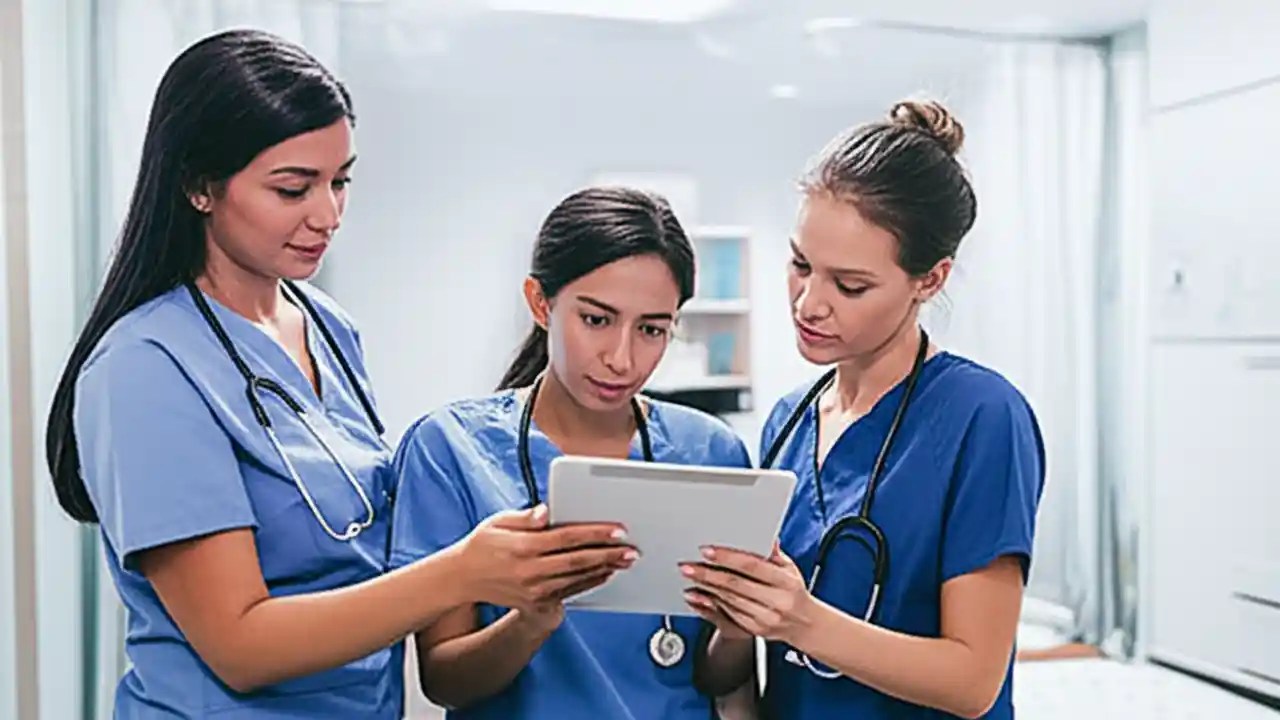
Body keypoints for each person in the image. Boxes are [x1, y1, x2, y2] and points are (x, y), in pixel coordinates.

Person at [44, 29, 632, 719]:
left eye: (340, 181)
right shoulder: (145, 368)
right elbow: (240, 646)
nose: (327, 215)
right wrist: (462, 572)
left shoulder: (326, 326)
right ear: (200, 186)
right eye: (293, 188)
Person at [685, 99, 1047, 719]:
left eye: (849, 285)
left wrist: (801, 619)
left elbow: (973, 682)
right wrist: (738, 620)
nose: (808, 303)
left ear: (930, 280)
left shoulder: (983, 417)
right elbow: (734, 673)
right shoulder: (788, 423)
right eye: (800, 265)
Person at [388, 186, 753, 719]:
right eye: (597, 320)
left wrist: (738, 631)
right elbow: (444, 680)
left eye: (652, 329)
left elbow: (713, 677)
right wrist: (531, 622)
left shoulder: (711, 452)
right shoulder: (450, 448)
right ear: (541, 303)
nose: (622, 358)